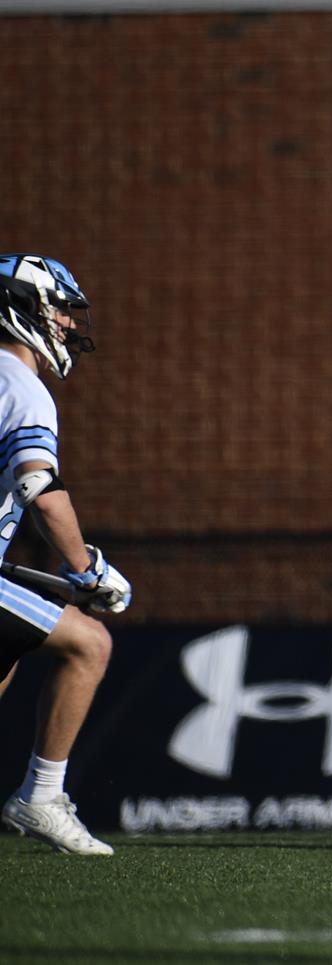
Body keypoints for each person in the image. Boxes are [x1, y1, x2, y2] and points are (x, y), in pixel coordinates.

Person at [0, 254, 129, 856]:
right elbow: (41, 490)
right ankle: (41, 796)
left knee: (7, 652)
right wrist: (88, 568)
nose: (69, 323)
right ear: (22, 306)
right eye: (59, 309)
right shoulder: (21, 385)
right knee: (90, 643)